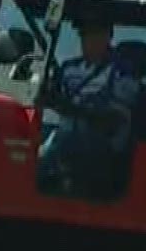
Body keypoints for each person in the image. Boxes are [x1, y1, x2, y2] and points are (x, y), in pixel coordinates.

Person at [38, 15, 140, 196]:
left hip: (100, 144)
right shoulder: (70, 68)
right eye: (84, 35)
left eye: (94, 35)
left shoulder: (122, 72)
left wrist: (76, 110)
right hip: (63, 132)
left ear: (108, 36)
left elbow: (115, 119)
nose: (87, 41)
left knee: (54, 151)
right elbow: (49, 98)